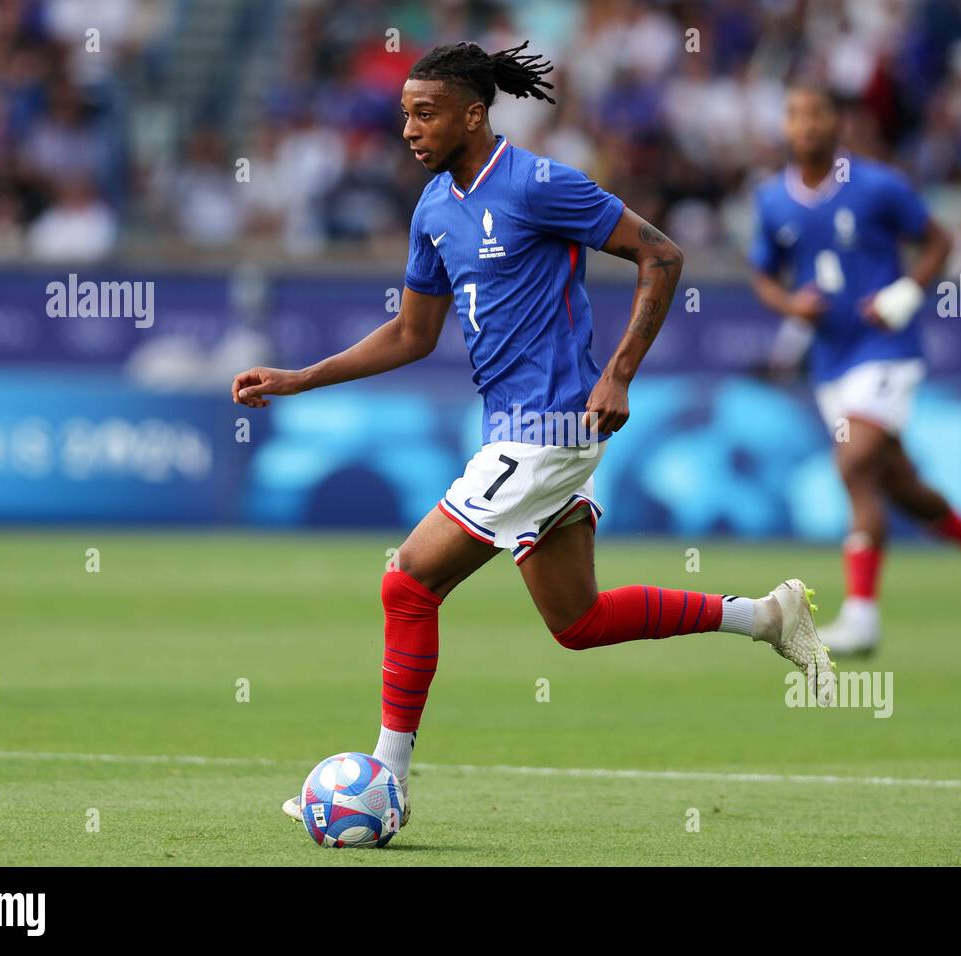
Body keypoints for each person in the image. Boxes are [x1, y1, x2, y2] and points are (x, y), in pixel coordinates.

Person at [233, 42, 833, 832]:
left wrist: (618, 372)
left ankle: (387, 778)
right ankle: (766, 616)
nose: (408, 129)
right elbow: (414, 334)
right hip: (514, 432)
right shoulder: (433, 209)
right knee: (575, 622)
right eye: (404, 113)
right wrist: (300, 378)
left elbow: (661, 254)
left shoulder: (538, 183)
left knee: (407, 583)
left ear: (473, 115)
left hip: (549, 427)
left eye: (425, 113)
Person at [749, 84, 961, 656]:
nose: (805, 125)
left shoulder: (878, 186)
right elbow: (762, 274)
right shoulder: (772, 200)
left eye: (815, 113)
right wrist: (791, 306)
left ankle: (862, 615)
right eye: (794, 115)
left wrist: (907, 292)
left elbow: (938, 240)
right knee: (893, 483)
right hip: (831, 361)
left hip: (886, 349)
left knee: (854, 459)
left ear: (838, 121)